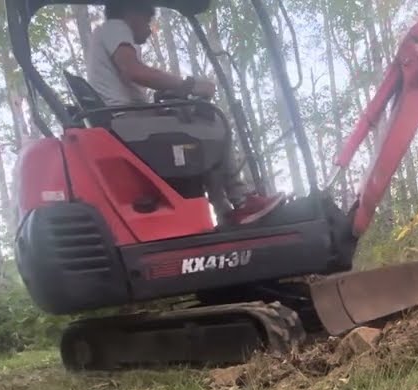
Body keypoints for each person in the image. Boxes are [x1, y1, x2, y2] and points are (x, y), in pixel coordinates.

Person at [87, 0, 284, 225]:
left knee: (200, 129)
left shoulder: (103, 36)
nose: (150, 29)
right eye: (148, 20)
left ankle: (226, 212)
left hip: (126, 122)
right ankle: (241, 200)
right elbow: (135, 71)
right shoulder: (116, 26)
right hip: (127, 122)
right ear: (132, 12)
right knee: (214, 122)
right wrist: (189, 85)